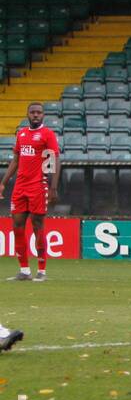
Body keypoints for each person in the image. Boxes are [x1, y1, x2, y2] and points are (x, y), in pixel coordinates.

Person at [1, 102, 60, 282]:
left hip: (38, 186)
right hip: (20, 187)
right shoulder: (22, 134)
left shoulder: (47, 134)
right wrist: (3, 182)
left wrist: (53, 187)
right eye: (33, 112)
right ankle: (24, 270)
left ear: (43, 115)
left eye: (39, 112)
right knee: (17, 226)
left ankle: (41, 270)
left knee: (37, 227)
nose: (36, 115)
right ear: (27, 114)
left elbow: (55, 159)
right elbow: (16, 159)